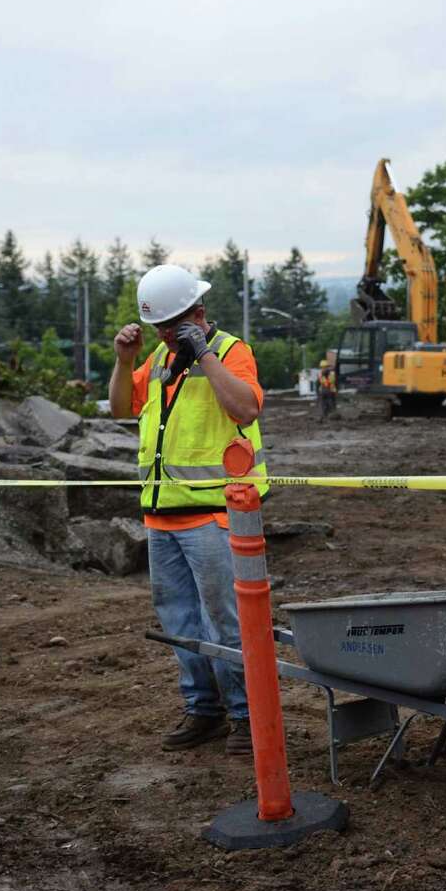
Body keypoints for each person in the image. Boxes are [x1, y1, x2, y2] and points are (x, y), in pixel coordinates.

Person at [108, 264, 268, 756]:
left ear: (198, 313)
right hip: (162, 516)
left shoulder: (231, 352)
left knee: (224, 620)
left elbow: (245, 409)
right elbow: (119, 408)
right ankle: (204, 710)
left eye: (173, 326)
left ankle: (246, 717)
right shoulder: (158, 357)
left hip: (215, 515)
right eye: (160, 328)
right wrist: (123, 359)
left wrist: (203, 354)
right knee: (179, 621)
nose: (166, 335)